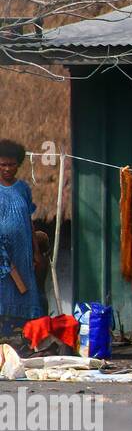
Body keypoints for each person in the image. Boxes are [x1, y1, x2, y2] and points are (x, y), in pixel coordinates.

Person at [0, 139, 41, 337]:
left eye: (11, 164)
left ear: (18, 164)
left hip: (22, 251)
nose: (7, 168)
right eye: (3, 164)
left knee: (25, 291)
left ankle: (24, 338)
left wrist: (36, 250)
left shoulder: (23, 189)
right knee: (4, 291)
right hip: (2, 253)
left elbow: (29, 221)